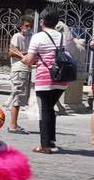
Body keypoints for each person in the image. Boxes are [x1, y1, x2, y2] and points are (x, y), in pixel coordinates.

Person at [23, 10, 70, 154]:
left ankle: (45, 145)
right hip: (61, 79)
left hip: (45, 79)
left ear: (42, 21)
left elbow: (30, 59)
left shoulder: (38, 37)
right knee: (50, 109)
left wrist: (25, 60)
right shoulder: (62, 36)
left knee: (44, 110)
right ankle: (51, 141)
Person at [6, 16, 34, 134]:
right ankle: (12, 125)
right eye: (26, 26)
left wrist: (29, 56)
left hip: (26, 69)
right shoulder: (17, 37)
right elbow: (12, 52)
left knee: (21, 97)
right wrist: (26, 55)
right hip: (18, 69)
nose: (28, 28)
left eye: (30, 26)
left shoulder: (31, 38)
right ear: (21, 26)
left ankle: (15, 123)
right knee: (17, 96)